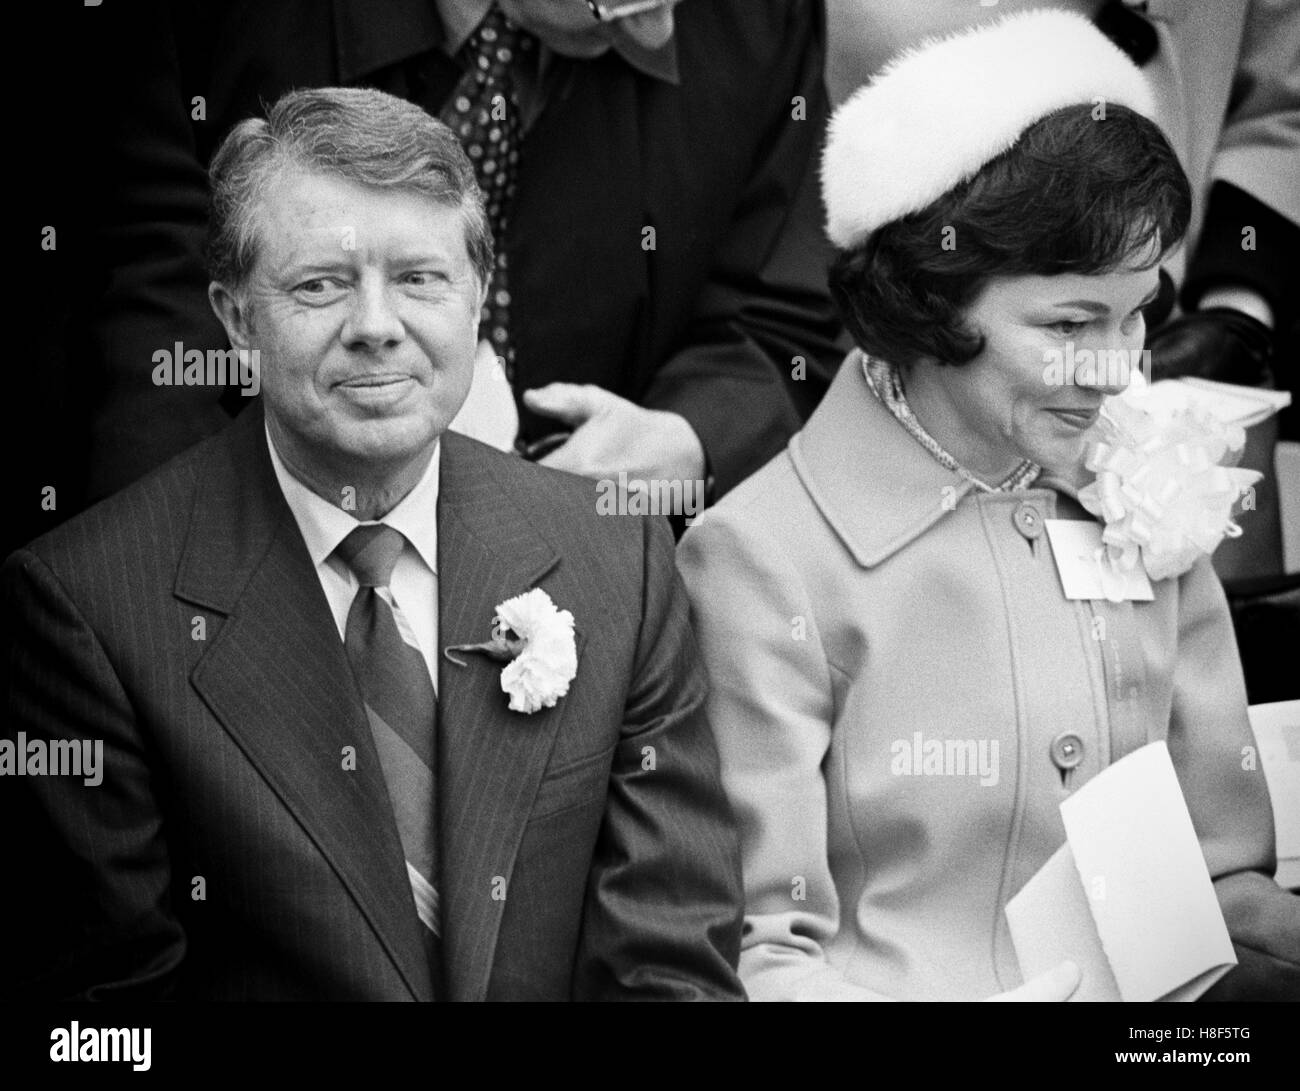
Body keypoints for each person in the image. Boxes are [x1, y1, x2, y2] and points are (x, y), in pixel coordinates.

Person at [1, 87, 744, 1002]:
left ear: (476, 299)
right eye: (321, 284)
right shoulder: (89, 607)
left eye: (421, 279)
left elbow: (671, 961)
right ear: (236, 323)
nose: (377, 325)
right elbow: (110, 1022)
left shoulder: (615, 555)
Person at [679, 11, 1300, 1001]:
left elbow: (1223, 880)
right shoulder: (760, 558)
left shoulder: (1141, 491)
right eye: (1069, 322)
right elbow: (761, 954)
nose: (1118, 368)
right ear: (929, 297)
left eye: (1139, 310)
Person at [63, 0, 842, 515]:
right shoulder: (217, 23)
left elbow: (783, 312)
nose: (661, 22)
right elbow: (155, 328)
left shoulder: (757, 17)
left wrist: (691, 437)